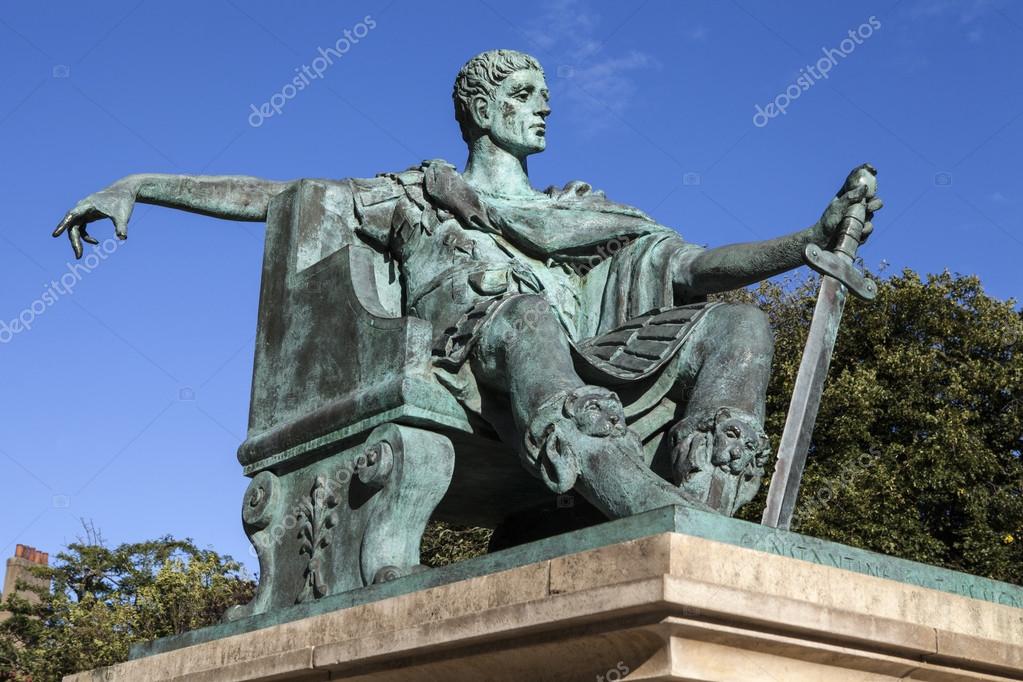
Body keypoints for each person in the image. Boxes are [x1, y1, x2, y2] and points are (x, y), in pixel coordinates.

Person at [54, 49, 882, 519]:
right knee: (521, 315)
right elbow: (280, 200)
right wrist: (143, 182)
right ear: (482, 112)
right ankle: (636, 502)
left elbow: (694, 266)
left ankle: (700, 511)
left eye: (546, 98)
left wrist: (804, 242)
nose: (543, 111)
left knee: (738, 326)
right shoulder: (416, 192)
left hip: (584, 361)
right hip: (476, 351)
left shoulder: (582, 211)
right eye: (525, 97)